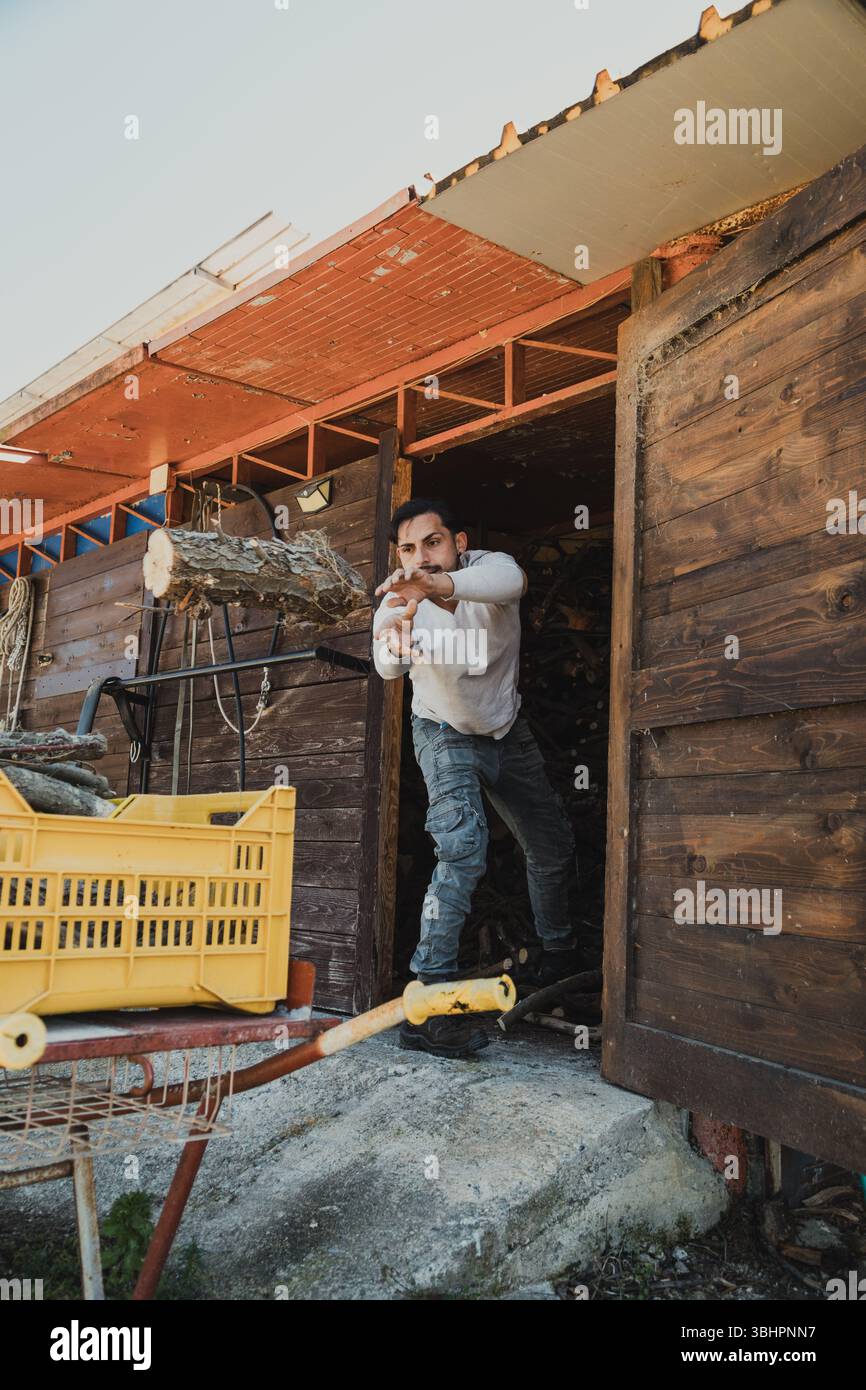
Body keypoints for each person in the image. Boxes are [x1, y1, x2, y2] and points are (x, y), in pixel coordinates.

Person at [371, 498, 579, 1059]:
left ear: (459, 543)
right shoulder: (397, 598)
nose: (421, 557)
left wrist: (435, 587)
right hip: (443, 731)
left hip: (506, 731)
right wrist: (396, 640)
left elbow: (512, 583)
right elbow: (387, 663)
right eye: (409, 549)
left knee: (552, 846)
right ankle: (427, 1001)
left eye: (432, 542)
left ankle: (558, 960)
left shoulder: (491, 569)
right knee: (462, 847)